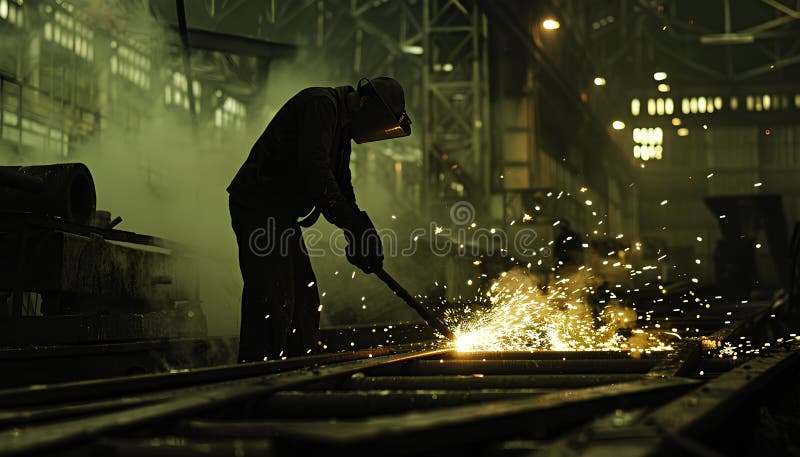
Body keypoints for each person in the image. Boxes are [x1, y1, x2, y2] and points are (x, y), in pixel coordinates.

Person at [227, 77, 411, 362]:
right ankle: (255, 373)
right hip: (258, 207)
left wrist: (360, 226)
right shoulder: (321, 106)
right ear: (366, 103)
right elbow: (317, 176)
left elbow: (340, 182)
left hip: (280, 215)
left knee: (304, 302)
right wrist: (353, 227)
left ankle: (295, 370)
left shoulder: (341, 125)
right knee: (273, 297)